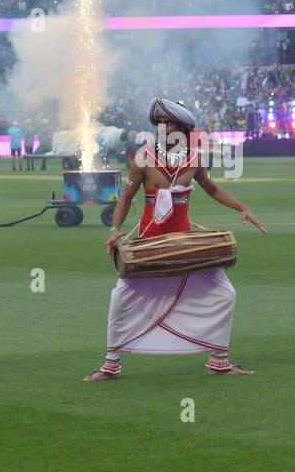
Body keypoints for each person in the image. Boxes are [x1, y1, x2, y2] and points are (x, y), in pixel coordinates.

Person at [85, 98, 267, 382]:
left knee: (224, 294)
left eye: (168, 123)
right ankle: (111, 364)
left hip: (185, 244)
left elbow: (212, 189)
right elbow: (126, 198)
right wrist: (114, 230)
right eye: (159, 123)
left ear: (182, 128)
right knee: (121, 298)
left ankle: (219, 360)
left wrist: (242, 207)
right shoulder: (143, 159)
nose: (162, 127)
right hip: (149, 243)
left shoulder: (194, 158)